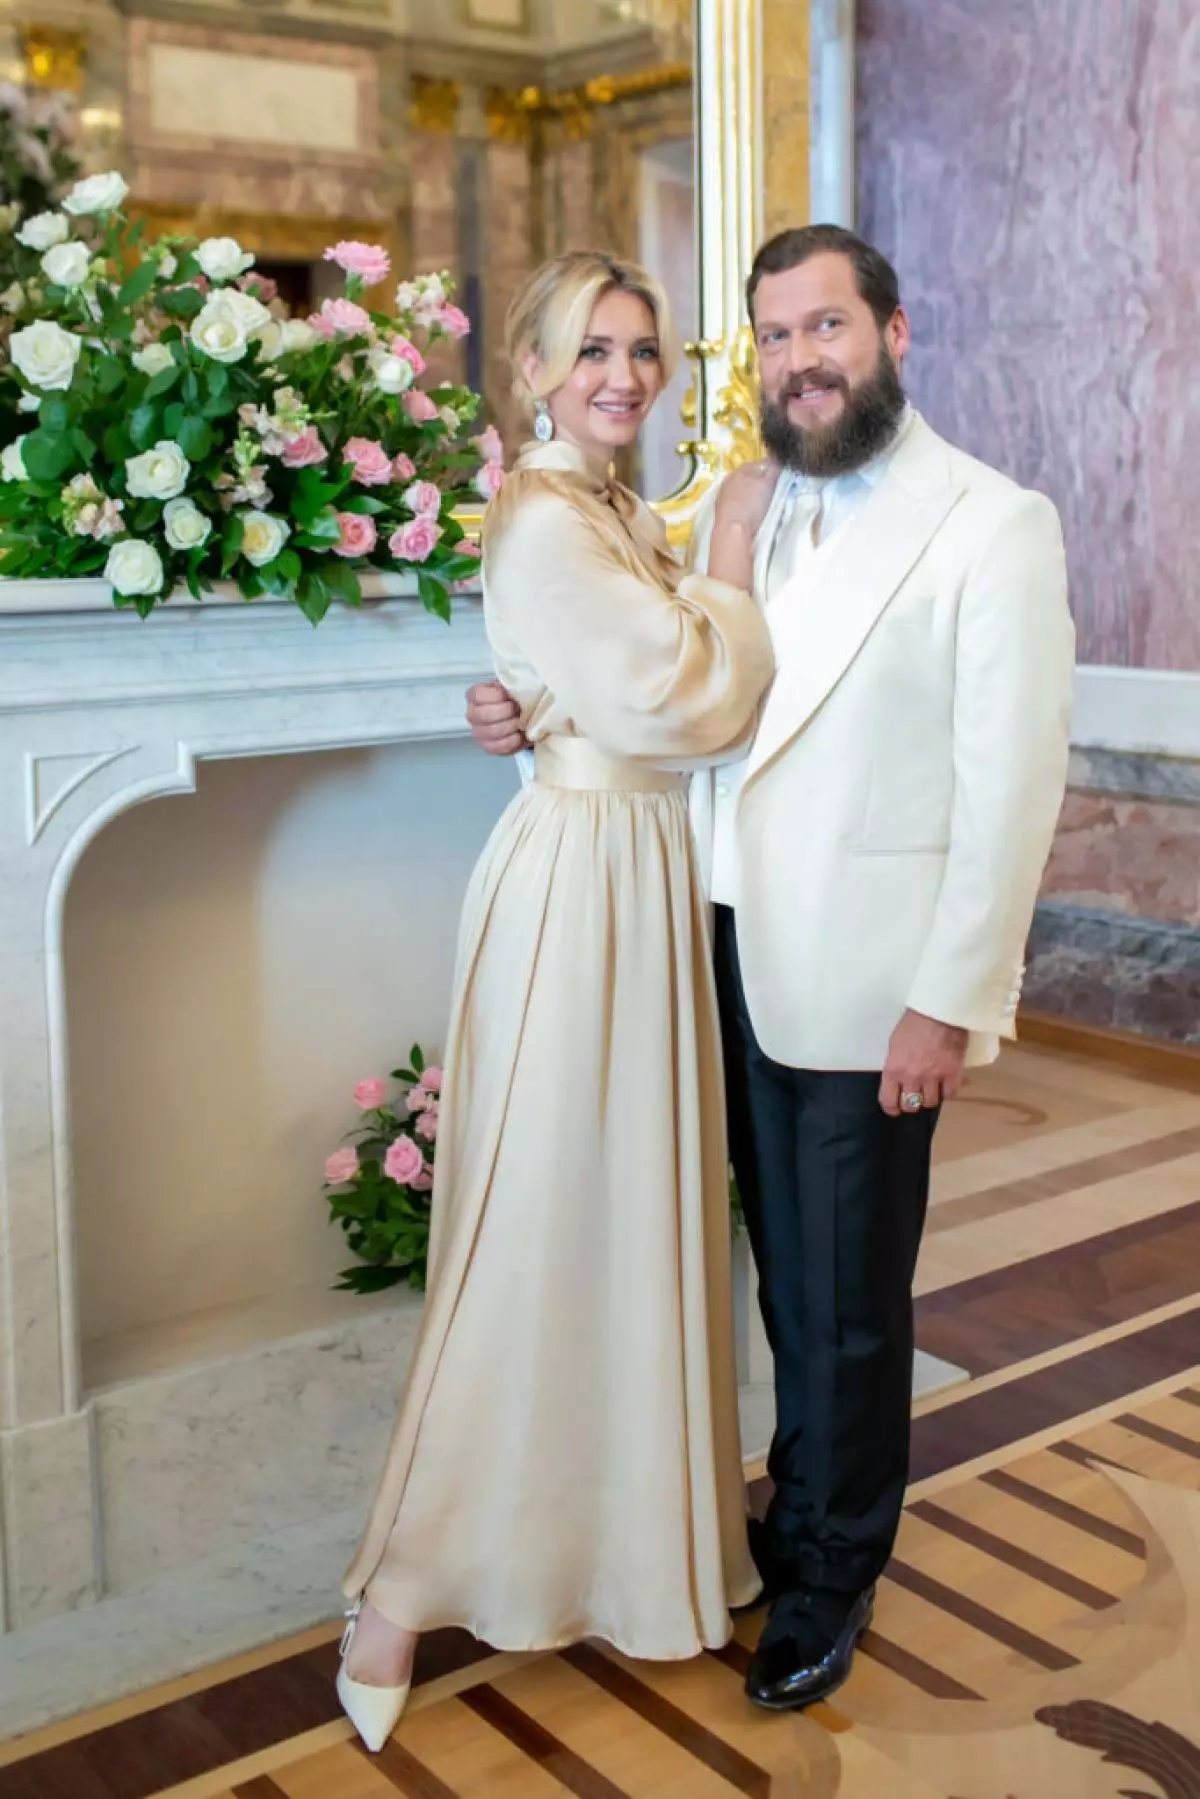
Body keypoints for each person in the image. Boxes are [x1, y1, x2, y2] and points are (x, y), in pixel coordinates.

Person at [467, 223, 1075, 1712]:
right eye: (776, 337)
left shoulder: (993, 524)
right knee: (765, 1277)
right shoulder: (733, 511)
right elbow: (667, 681)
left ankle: (830, 1569)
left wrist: (950, 996)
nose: (801, 360)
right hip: (711, 951)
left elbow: (1012, 788)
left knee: (847, 1299)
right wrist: (524, 707)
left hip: (867, 986)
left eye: (828, 328)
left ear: (895, 331)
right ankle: (790, 1505)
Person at [336, 249, 776, 1752]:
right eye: (592, 349)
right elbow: (679, 690)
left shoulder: (602, 511)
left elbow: (594, 675)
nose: (624, 375)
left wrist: (529, 699)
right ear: (529, 371)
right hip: (581, 885)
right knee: (535, 1226)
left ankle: (625, 1553)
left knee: (622, 1222)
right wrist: (731, 541)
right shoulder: (543, 516)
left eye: (642, 349)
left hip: (634, 872)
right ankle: (398, 1585)